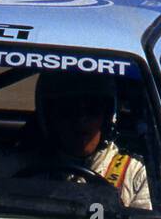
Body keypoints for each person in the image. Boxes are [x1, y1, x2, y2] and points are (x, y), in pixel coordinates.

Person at [27, 70, 152, 210]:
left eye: (92, 110)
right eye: (69, 110)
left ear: (107, 118)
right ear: (49, 117)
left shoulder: (136, 174)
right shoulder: (19, 168)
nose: (81, 121)